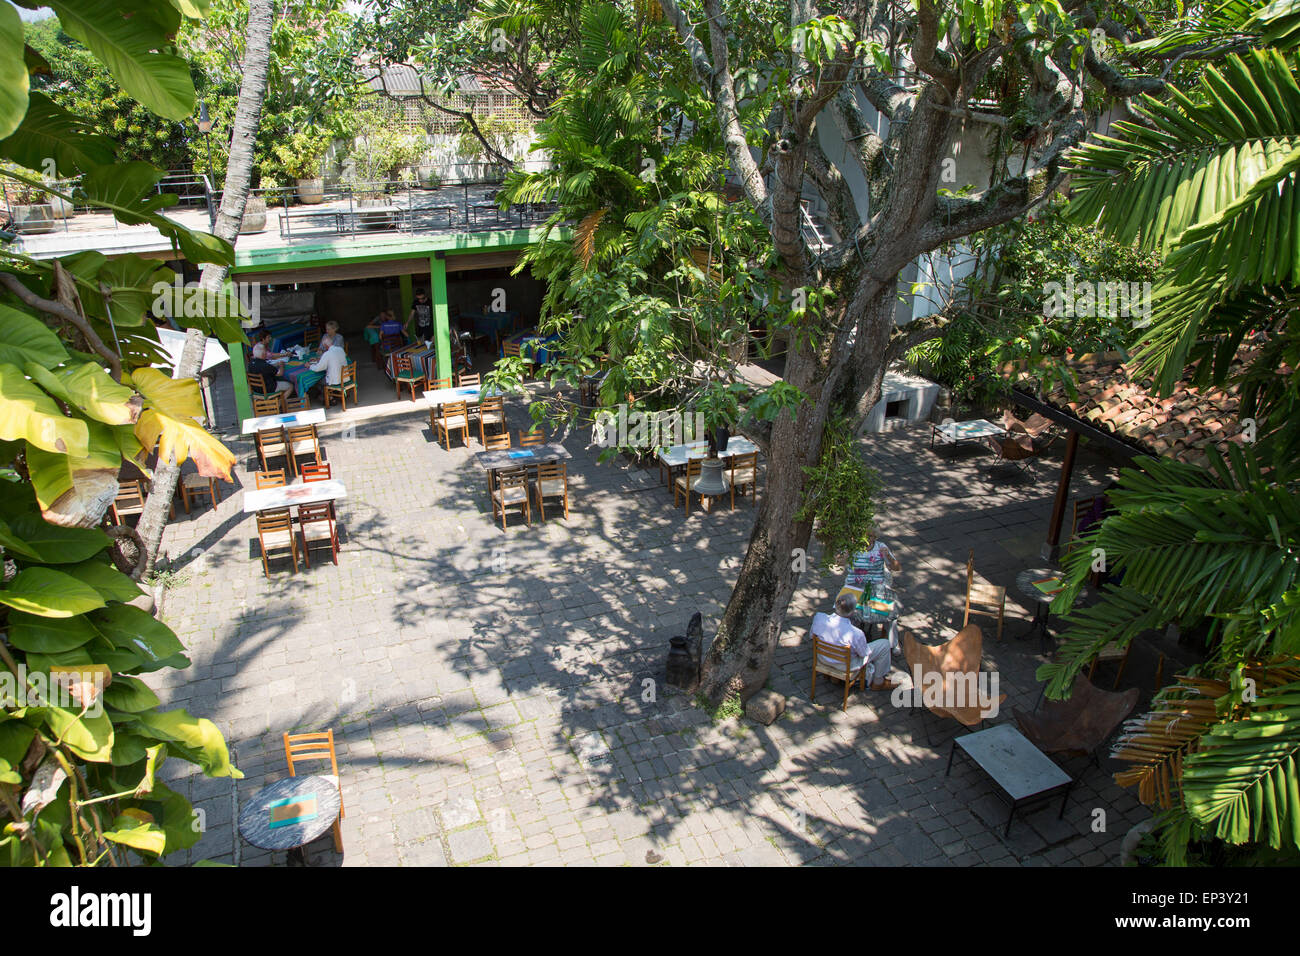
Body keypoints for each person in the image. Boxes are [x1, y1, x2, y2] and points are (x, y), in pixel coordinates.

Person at [812, 593, 896, 691]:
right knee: (884, 644)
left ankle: (833, 678)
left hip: (823, 658)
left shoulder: (819, 618)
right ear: (853, 612)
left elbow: (812, 636)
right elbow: (864, 653)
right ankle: (878, 682)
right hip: (845, 665)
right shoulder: (856, 633)